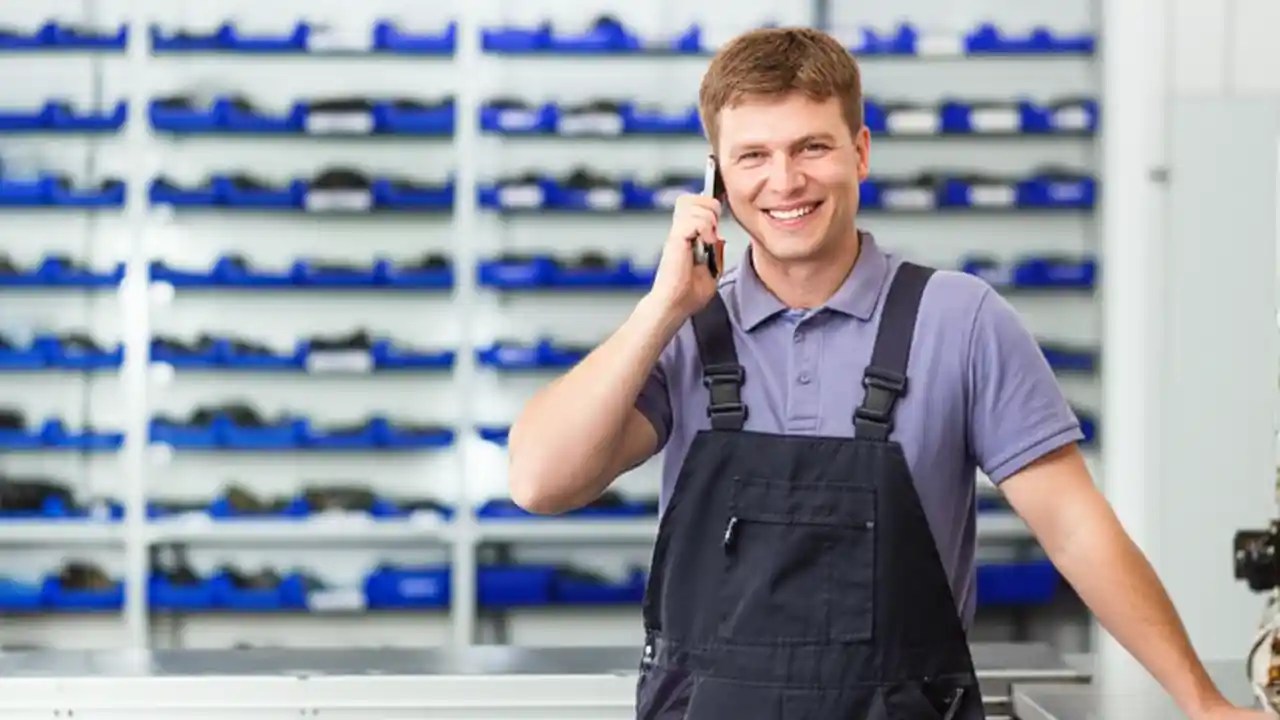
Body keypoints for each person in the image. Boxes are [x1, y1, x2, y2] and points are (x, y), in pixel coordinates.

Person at [507, 26, 1264, 720]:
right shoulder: (682, 331)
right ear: (715, 179)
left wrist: (1200, 700)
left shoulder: (961, 320)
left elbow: (1073, 527)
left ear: (860, 152)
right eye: (752, 156)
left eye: (812, 147)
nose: (785, 181)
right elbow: (541, 482)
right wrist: (661, 307)